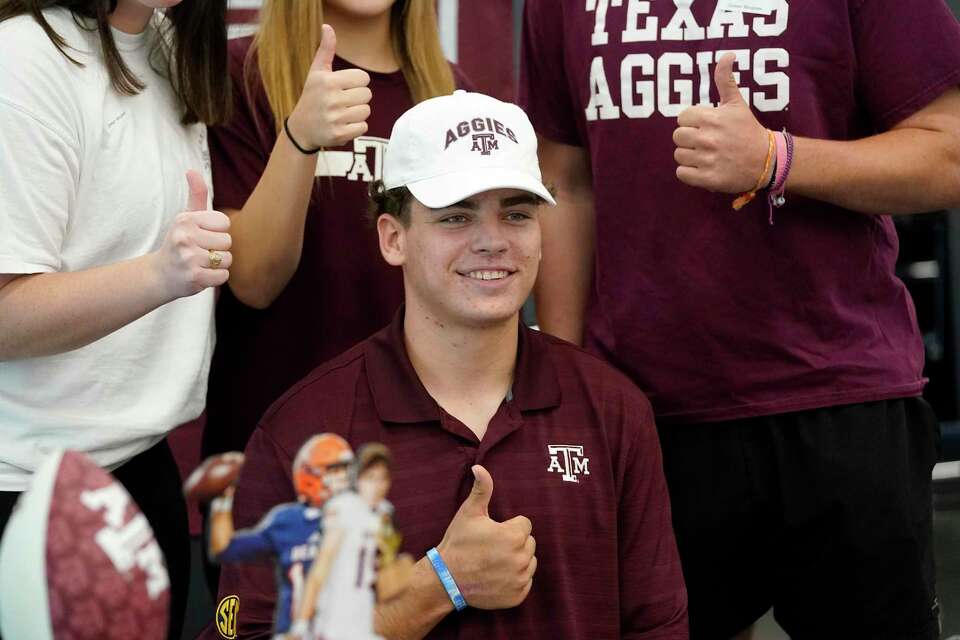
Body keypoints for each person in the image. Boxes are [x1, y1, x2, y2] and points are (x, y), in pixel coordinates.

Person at [518, 1, 960, 638]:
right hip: (649, 419)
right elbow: (564, 178)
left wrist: (779, 161)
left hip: (840, 403)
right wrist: (561, 387)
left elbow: (947, 152)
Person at [200, 90, 688, 640]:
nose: (492, 241)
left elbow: (658, 626)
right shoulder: (305, 430)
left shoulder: (612, 408)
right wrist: (439, 585)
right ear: (393, 237)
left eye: (517, 213)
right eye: (456, 216)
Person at [0, 0, 230, 637]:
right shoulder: (22, 58)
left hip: (141, 469)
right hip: (25, 488)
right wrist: (161, 275)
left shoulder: (163, 44)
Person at [202, 0, 464, 485]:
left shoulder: (452, 97)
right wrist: (299, 139)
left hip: (417, 445)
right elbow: (254, 281)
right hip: (277, 441)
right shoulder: (240, 74)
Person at [206, 434, 353, 640]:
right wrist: (222, 501)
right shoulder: (288, 521)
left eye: (344, 471)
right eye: (334, 471)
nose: (341, 480)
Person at [291, 443, 406, 640]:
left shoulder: (384, 513)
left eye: (382, 479)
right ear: (357, 479)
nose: (377, 487)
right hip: (334, 615)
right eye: (370, 478)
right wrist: (301, 626)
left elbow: (385, 574)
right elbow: (321, 569)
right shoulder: (344, 509)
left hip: (362, 613)